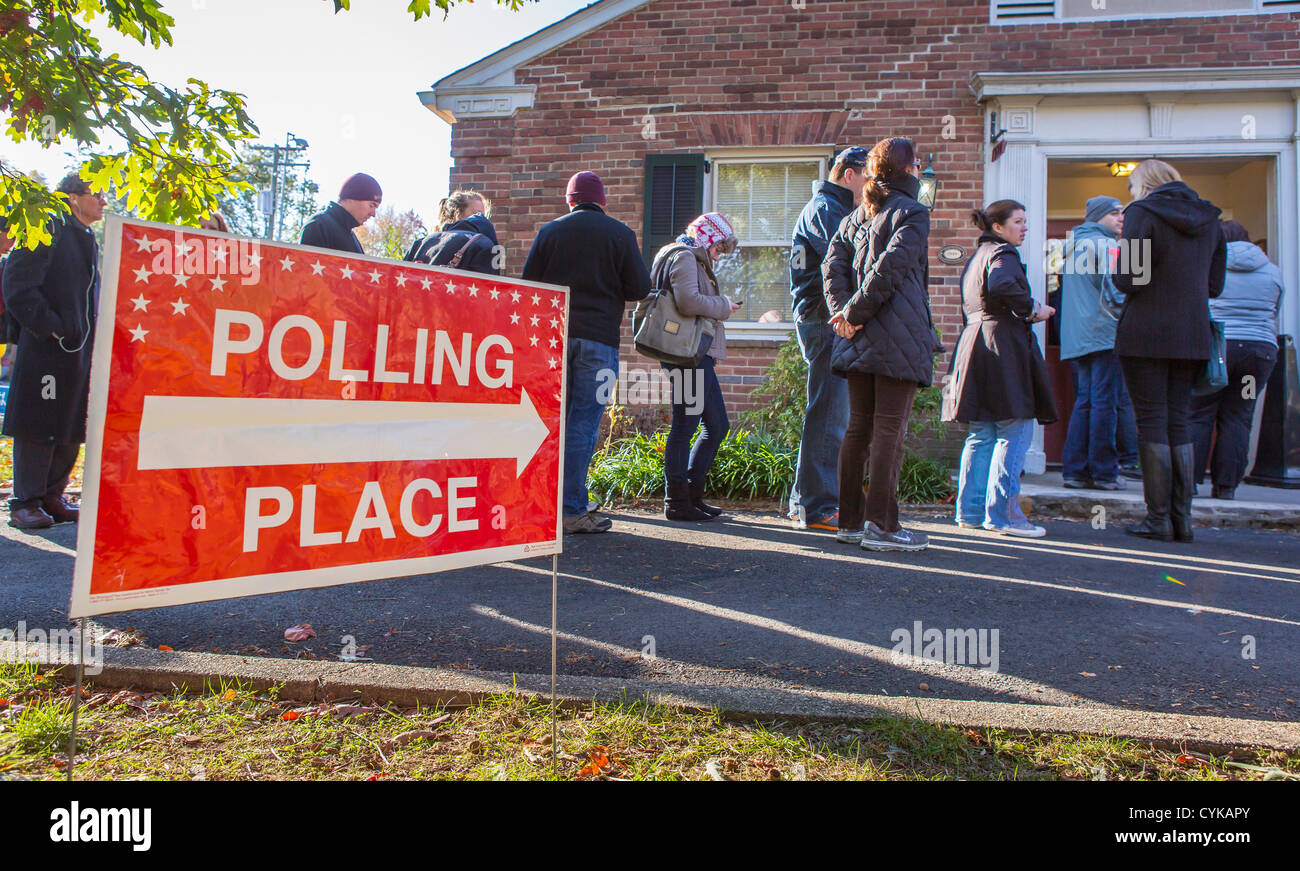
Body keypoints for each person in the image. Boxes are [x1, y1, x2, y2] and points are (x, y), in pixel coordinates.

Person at [822, 137, 941, 553]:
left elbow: (832, 267)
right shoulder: (913, 213)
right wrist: (849, 314)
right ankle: (882, 527)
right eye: (918, 161)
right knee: (888, 428)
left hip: (859, 336)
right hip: (895, 337)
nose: (922, 166)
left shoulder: (857, 216)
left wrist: (844, 314)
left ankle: (851, 523)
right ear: (908, 168)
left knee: (859, 428)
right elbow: (889, 272)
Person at [521, 171, 651, 533]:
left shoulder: (550, 232)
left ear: (570, 199)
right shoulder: (620, 234)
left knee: (553, 423)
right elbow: (640, 288)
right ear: (603, 201)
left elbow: (529, 286)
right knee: (584, 424)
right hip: (600, 342)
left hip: (555, 342)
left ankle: (547, 503)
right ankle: (572, 510)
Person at [1112, 160, 1226, 543]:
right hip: (1192, 333)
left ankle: (1157, 519)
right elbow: (1215, 285)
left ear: (1143, 185)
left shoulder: (1143, 212)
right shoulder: (1210, 218)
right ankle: (1183, 520)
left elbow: (1131, 278)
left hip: (1146, 330)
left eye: (1131, 186)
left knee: (1151, 420)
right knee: (1179, 420)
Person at [943, 201, 1058, 537]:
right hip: (1001, 347)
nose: (1024, 228)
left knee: (982, 434)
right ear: (998, 226)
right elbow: (1003, 286)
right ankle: (1005, 517)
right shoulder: (1003, 254)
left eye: (1025, 221)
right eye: (1018, 221)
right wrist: (1034, 308)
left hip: (975, 345)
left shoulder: (977, 256)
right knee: (1015, 429)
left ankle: (971, 513)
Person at [2, 173, 104, 530]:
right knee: (38, 423)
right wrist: (54, 328)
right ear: (73, 198)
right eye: (97, 194)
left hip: (79, 351)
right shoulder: (46, 227)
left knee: (71, 424)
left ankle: (51, 496)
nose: (104, 201)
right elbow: (17, 285)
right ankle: (24, 502)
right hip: (47, 350)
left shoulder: (87, 237)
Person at [786, 146, 867, 531]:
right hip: (824, 321)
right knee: (830, 415)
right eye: (867, 177)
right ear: (848, 174)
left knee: (827, 411)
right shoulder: (825, 209)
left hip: (822, 319)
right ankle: (819, 508)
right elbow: (846, 258)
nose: (870, 186)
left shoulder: (829, 207)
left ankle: (803, 503)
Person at [652, 214, 742, 522]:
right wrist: (723, 306)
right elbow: (688, 302)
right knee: (685, 426)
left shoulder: (691, 257)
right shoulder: (685, 257)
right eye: (718, 248)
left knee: (717, 426)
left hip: (696, 354)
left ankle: (691, 493)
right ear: (707, 238)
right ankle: (676, 501)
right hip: (685, 355)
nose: (718, 256)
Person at [1189, 220, 1283, 500]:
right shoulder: (1272, 270)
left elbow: (1200, 303)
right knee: (1240, 416)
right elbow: (1275, 308)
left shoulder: (1210, 265)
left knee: (1200, 413)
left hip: (1218, 349)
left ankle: (1190, 483)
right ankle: (1226, 486)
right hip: (1258, 354)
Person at [1059, 196, 1127, 491]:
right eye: (1114, 213)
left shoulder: (1072, 245)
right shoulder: (1108, 246)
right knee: (1104, 403)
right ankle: (1104, 473)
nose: (1121, 218)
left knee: (1085, 401)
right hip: (1104, 333)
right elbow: (1120, 292)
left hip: (1077, 337)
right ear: (1099, 216)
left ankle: (1074, 470)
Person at [404, 189, 500, 275]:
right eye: (476, 214)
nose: (481, 219)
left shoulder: (420, 244)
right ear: (457, 214)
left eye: (483, 215)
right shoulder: (482, 243)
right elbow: (487, 288)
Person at [300, 173, 382, 254]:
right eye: (371, 205)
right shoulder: (319, 225)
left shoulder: (350, 236)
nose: (373, 214)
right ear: (352, 198)